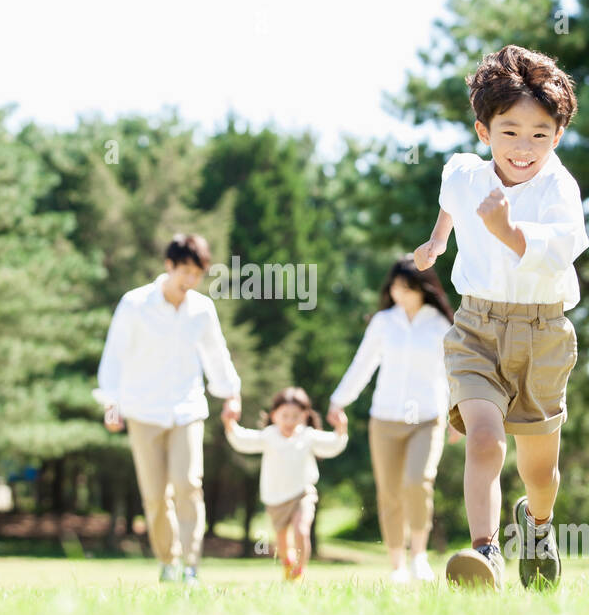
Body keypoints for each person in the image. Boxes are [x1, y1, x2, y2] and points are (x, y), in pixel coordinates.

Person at [414, 44, 589, 591]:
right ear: (483, 131)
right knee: (485, 439)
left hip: (544, 332)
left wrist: (509, 233)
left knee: (540, 471)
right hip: (477, 326)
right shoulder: (467, 173)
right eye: (509, 131)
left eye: (540, 134)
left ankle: (537, 527)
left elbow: (563, 248)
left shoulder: (560, 188)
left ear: (557, 136)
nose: (524, 147)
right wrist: (438, 240)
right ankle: (485, 551)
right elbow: (451, 194)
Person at [93, 233, 243, 585]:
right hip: (142, 410)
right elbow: (114, 355)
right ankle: (168, 561)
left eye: (197, 273)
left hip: (187, 409)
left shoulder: (202, 309)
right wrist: (111, 403)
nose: (190, 280)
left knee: (188, 483)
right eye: (185, 271)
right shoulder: (135, 304)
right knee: (155, 494)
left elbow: (216, 355)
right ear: (169, 266)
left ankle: (191, 566)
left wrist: (231, 394)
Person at [326, 256, 462, 585]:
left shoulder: (441, 324)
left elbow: (454, 371)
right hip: (385, 417)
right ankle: (396, 565)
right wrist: (338, 400)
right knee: (389, 492)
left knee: (417, 482)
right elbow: (363, 363)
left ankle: (419, 556)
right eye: (395, 288)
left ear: (422, 288)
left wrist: (458, 415)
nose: (399, 294)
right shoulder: (384, 322)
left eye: (406, 288)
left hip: (427, 418)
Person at [224, 387, 348, 582]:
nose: (290, 421)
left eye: (296, 416)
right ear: (274, 416)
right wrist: (230, 424)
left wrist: (341, 429)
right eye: (285, 415)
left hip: (302, 493)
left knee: (302, 529)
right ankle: (288, 566)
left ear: (305, 416)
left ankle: (299, 571)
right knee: (282, 543)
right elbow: (244, 441)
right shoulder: (269, 436)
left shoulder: (308, 436)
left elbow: (332, 445)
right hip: (275, 498)